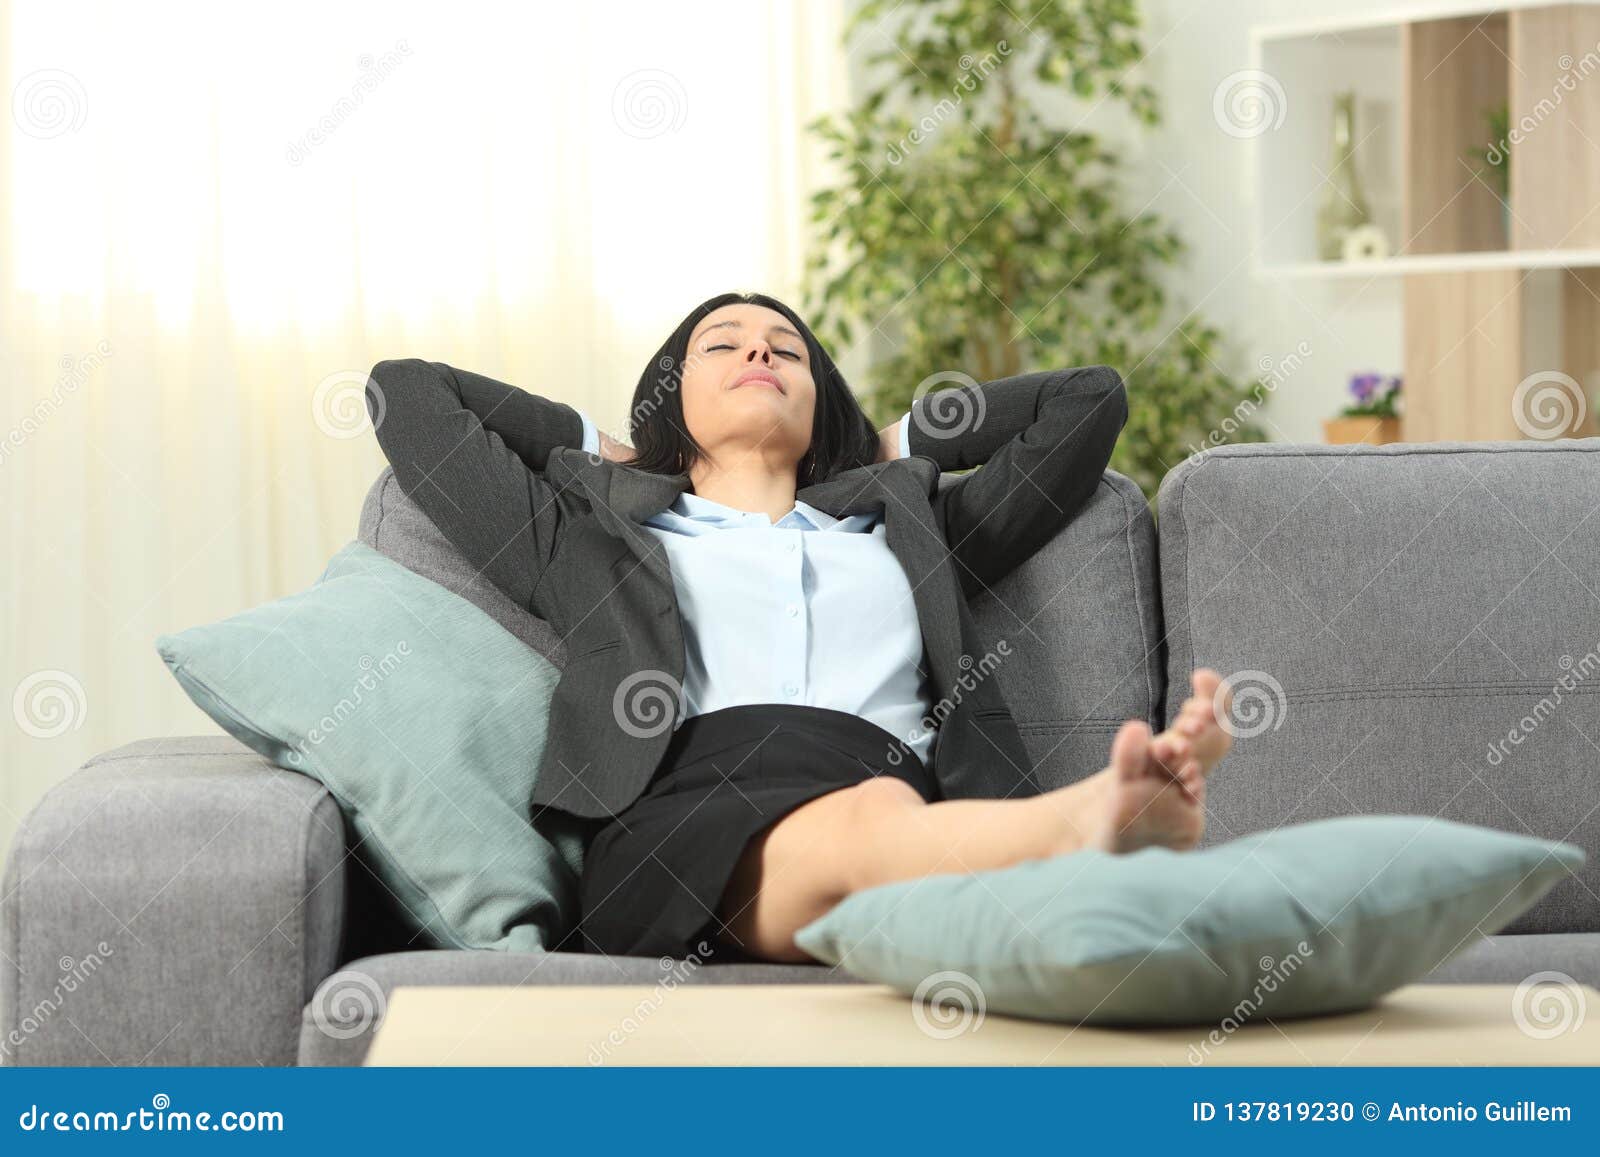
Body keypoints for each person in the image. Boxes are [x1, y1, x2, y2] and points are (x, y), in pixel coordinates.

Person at [366, 290, 1232, 965]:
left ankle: (1013, 877)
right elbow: (405, 392)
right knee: (873, 821)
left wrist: (876, 443)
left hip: (893, 791)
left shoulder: (913, 531)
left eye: (788, 351)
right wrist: (611, 447)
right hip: (678, 817)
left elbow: (1088, 400)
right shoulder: (590, 537)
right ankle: (1079, 834)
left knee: (880, 811)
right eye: (724, 344)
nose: (758, 349)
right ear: (670, 402)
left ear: (822, 404)